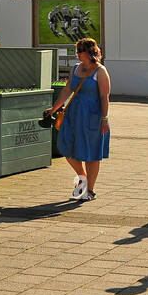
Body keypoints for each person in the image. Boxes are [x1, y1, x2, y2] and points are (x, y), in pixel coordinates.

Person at [44, 36, 110, 201]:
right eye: (77, 51)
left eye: (80, 51)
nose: (77, 54)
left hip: (93, 116)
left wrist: (104, 118)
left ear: (90, 52)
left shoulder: (100, 71)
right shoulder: (75, 69)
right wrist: (54, 108)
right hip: (74, 114)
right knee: (66, 145)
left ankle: (89, 191)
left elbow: (104, 96)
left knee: (91, 153)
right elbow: (67, 91)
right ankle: (83, 177)